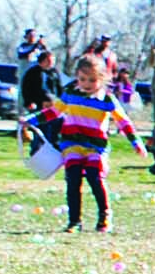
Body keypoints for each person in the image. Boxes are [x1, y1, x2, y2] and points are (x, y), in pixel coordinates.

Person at [42, 53, 146, 233]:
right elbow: (53, 112)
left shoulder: (106, 100)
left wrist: (135, 142)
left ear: (102, 78)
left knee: (94, 177)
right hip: (72, 143)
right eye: (82, 79)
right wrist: (30, 121)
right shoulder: (70, 94)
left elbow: (124, 122)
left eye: (92, 80)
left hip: (95, 146)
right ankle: (74, 221)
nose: (87, 84)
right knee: (73, 179)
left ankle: (104, 216)